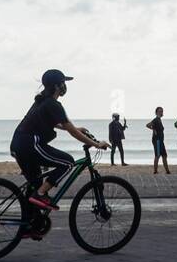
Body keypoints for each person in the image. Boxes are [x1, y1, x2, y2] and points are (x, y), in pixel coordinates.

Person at [10, 70, 108, 220]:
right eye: (63, 83)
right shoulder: (53, 104)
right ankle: (41, 194)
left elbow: (61, 124)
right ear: (57, 86)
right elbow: (73, 133)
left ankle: (29, 225)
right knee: (68, 162)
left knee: (35, 183)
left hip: (19, 145)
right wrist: (96, 144)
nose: (65, 86)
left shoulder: (42, 101)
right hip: (30, 145)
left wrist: (76, 128)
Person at [146, 106, 170, 175]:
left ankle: (167, 171)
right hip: (157, 140)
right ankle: (155, 171)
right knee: (158, 155)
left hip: (160, 140)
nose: (161, 112)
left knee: (164, 155)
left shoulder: (159, 120)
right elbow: (147, 125)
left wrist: (154, 129)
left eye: (162, 111)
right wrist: (153, 129)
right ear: (156, 112)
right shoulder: (156, 119)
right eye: (160, 111)